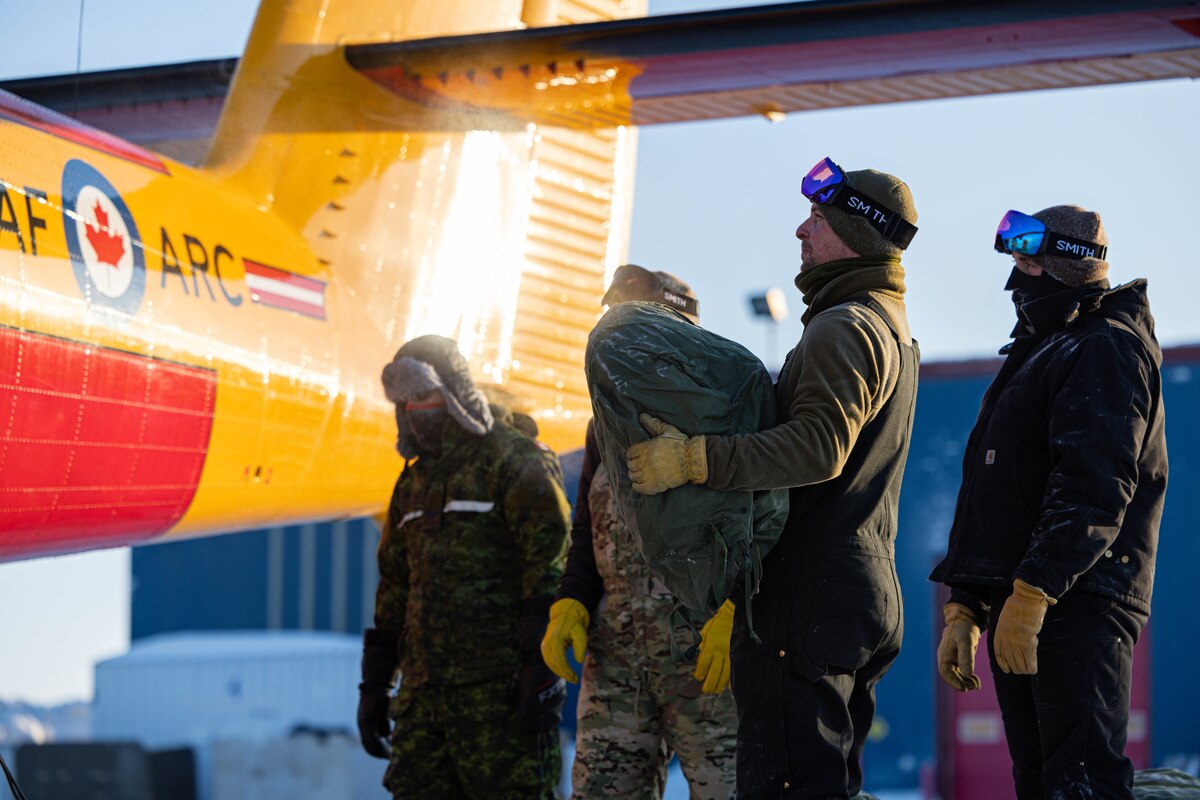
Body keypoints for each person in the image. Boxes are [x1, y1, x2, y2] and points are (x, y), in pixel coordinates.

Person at [625, 157, 920, 799]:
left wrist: (697, 459)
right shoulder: (885, 326)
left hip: (809, 595)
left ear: (857, 233)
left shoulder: (845, 327)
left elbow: (819, 447)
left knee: (788, 788)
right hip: (850, 588)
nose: (801, 231)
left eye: (818, 217)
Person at [930, 206, 1167, 800]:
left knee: (1079, 783)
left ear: (1069, 262)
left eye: (1030, 260)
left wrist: (1035, 590)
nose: (1016, 276)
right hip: (1025, 604)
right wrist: (966, 605)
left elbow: (1093, 489)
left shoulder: (1105, 349)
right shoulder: (1039, 353)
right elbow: (1000, 496)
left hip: (1078, 603)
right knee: (1040, 785)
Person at [540, 264, 739, 800]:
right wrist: (573, 602)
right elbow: (587, 527)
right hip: (619, 656)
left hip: (702, 655)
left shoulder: (728, 408)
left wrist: (736, 609)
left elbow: (762, 524)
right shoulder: (603, 418)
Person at [357, 334, 572, 799]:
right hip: (424, 704)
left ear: (455, 392)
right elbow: (394, 586)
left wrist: (542, 666)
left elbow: (550, 562)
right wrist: (374, 685)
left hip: (500, 698)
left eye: (426, 394)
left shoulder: (511, 460)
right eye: (407, 400)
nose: (418, 409)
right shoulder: (411, 483)